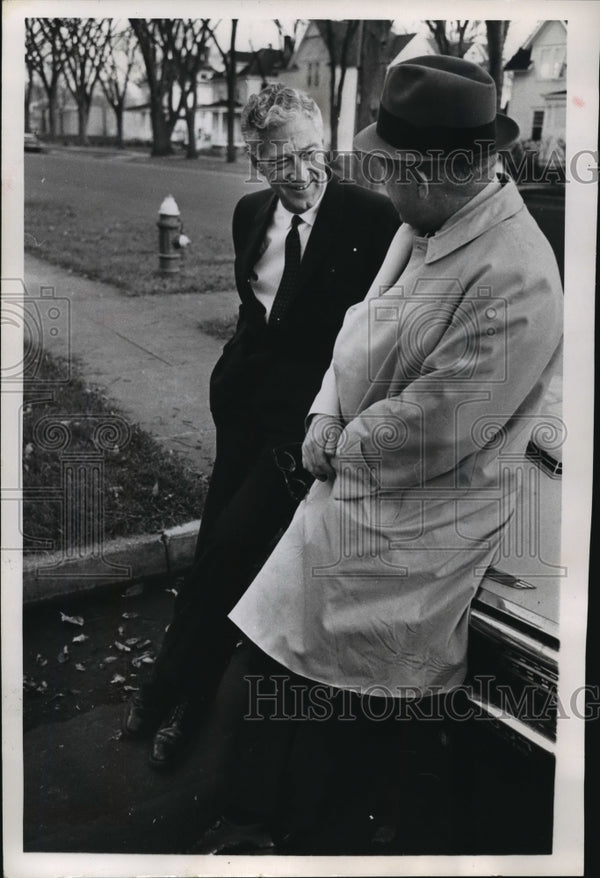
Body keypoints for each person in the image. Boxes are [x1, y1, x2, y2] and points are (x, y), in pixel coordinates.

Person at [200, 54, 563, 853]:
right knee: (277, 656)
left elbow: (438, 424)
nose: (375, 184)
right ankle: (257, 819)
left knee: (343, 700)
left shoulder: (516, 278)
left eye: (389, 170)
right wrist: (324, 413)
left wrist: (334, 442)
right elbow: (354, 335)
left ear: (434, 173)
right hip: (351, 484)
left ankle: (315, 837)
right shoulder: (425, 224)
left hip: (416, 525)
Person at [122, 84, 399, 767]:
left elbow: (384, 331)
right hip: (242, 413)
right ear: (257, 161)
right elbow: (256, 311)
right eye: (282, 162)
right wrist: (229, 376)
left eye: (311, 154)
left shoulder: (373, 218)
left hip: (305, 424)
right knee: (218, 543)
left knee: (227, 554)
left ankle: (175, 699)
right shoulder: (252, 214)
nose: (301, 174)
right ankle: (180, 692)